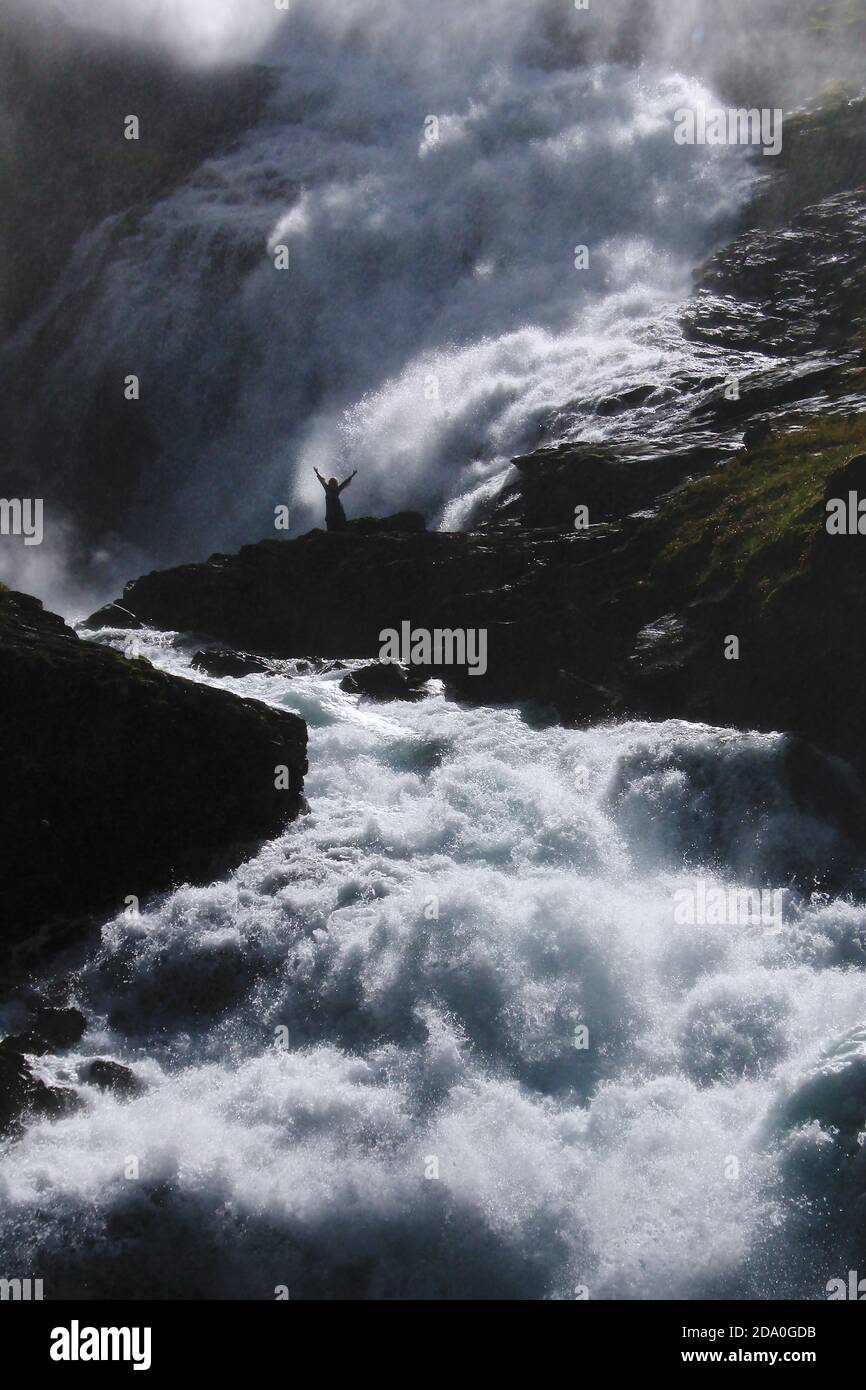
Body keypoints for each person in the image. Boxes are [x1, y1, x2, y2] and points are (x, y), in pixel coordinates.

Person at [314, 467, 357, 532]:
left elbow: (345, 482)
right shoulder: (328, 488)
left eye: (334, 483)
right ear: (330, 484)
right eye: (332, 483)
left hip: (337, 512)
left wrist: (352, 475)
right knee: (332, 526)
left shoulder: (337, 489)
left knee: (339, 526)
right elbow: (322, 481)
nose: (333, 485)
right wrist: (317, 472)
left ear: (336, 484)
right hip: (331, 513)